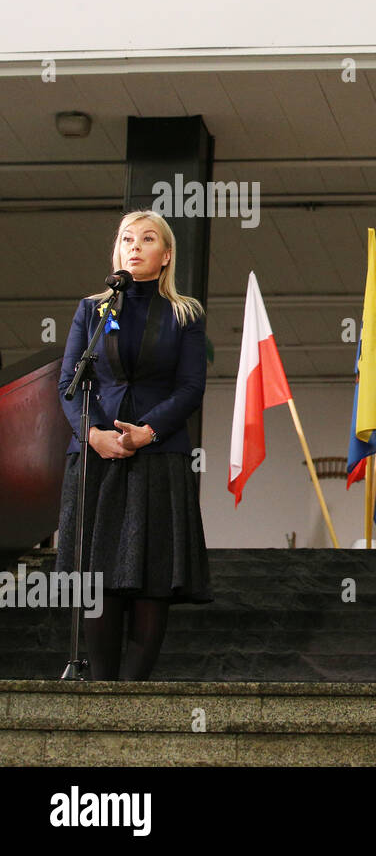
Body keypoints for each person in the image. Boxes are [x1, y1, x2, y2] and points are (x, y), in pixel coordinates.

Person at [55, 211, 211, 680]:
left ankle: (134, 696)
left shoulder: (185, 313)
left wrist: (149, 430)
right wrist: (92, 435)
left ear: (166, 256)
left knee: (151, 574)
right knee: (98, 575)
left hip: (157, 458)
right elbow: (68, 384)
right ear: (117, 251)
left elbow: (191, 387)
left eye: (147, 239)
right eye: (127, 239)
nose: (135, 246)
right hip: (97, 459)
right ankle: (103, 694)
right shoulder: (92, 310)